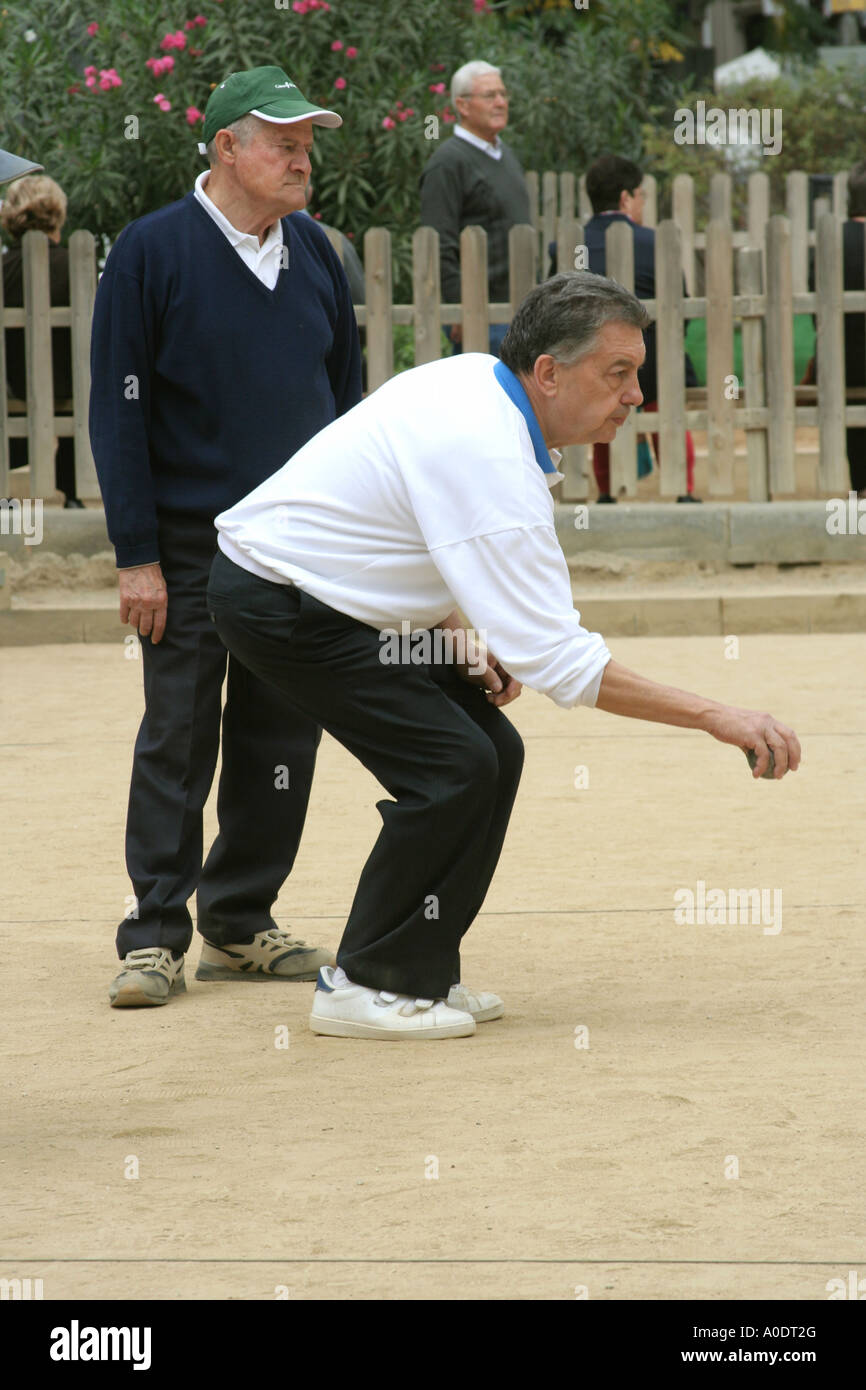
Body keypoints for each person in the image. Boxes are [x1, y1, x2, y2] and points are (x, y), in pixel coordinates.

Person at [205, 271, 800, 1043]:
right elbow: (564, 665)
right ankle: (361, 984)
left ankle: (418, 970)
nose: (635, 396)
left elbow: (407, 527)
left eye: (637, 373)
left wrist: (452, 628)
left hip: (332, 594)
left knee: (493, 749)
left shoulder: (477, 383)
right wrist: (719, 715)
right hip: (281, 600)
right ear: (548, 373)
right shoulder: (488, 451)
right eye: (617, 373)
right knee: (452, 766)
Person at [88, 66, 363, 1008]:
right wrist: (136, 556)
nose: (302, 159)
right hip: (191, 547)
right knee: (178, 733)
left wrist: (353, 539)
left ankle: (240, 922)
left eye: (306, 143)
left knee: (282, 734)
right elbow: (117, 416)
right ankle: (154, 933)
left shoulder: (318, 254)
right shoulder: (151, 252)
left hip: (300, 550)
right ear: (226, 150)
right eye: (282, 142)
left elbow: (347, 409)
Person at [552, 154, 700, 503]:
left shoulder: (566, 246)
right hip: (656, 357)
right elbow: (681, 308)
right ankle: (683, 490)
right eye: (640, 195)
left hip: (590, 358)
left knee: (602, 411)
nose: (642, 203)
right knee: (667, 411)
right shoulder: (656, 243)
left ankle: (605, 491)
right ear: (625, 198)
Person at [419, 60, 530, 358]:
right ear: (462, 106)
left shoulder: (505, 155)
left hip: (518, 310)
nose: (500, 103)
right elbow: (437, 242)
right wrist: (459, 310)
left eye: (503, 95)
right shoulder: (448, 163)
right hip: (478, 316)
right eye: (490, 95)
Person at [1, 174, 85, 506]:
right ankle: (73, 492)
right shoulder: (76, 267)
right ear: (58, 215)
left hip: (11, 389)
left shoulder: (3, 269)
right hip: (73, 389)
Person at [806, 157, 866, 497]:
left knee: (852, 423)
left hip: (842, 360)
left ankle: (861, 486)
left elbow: (819, 313)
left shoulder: (832, 239)